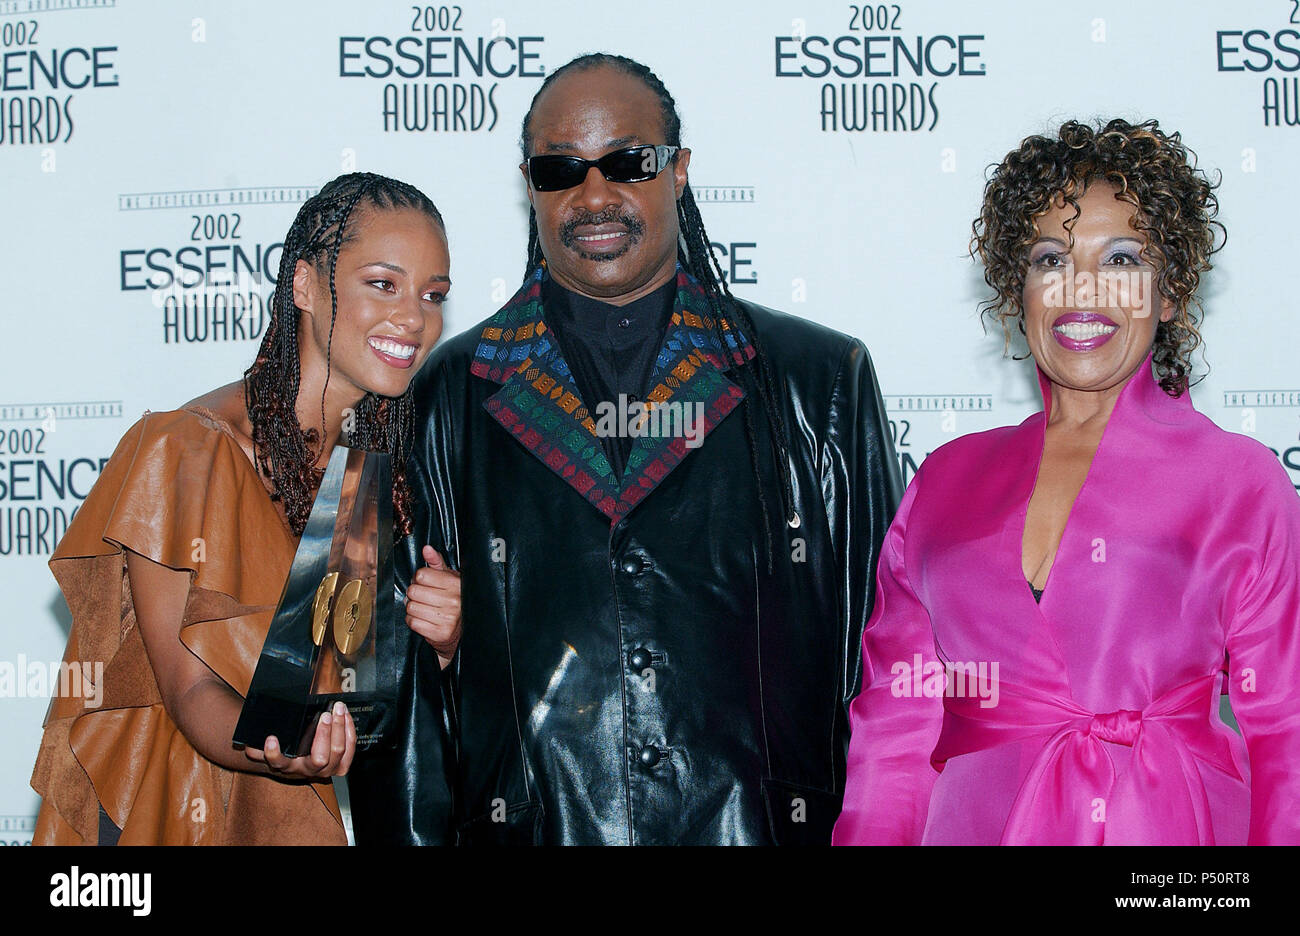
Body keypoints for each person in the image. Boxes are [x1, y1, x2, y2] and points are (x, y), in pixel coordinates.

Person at [345, 53, 901, 845]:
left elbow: (882, 654)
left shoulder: (816, 381)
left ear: (678, 170)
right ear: (529, 184)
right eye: (561, 169)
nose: (594, 195)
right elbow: (396, 690)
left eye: (628, 163)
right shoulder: (450, 393)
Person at [833, 119, 1300, 845]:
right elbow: (900, 722)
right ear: (1019, 294)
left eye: (1121, 259)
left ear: (1170, 293)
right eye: (1050, 259)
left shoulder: (1240, 482)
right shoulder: (948, 480)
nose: (1082, 287)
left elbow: (1286, 731)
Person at [30, 172, 463, 845]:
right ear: (304, 286)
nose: (414, 317)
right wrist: (282, 744)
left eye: (433, 295)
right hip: (165, 821)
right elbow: (191, 693)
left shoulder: (367, 472)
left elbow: (332, 688)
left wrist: (441, 646)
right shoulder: (183, 450)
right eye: (383, 283)